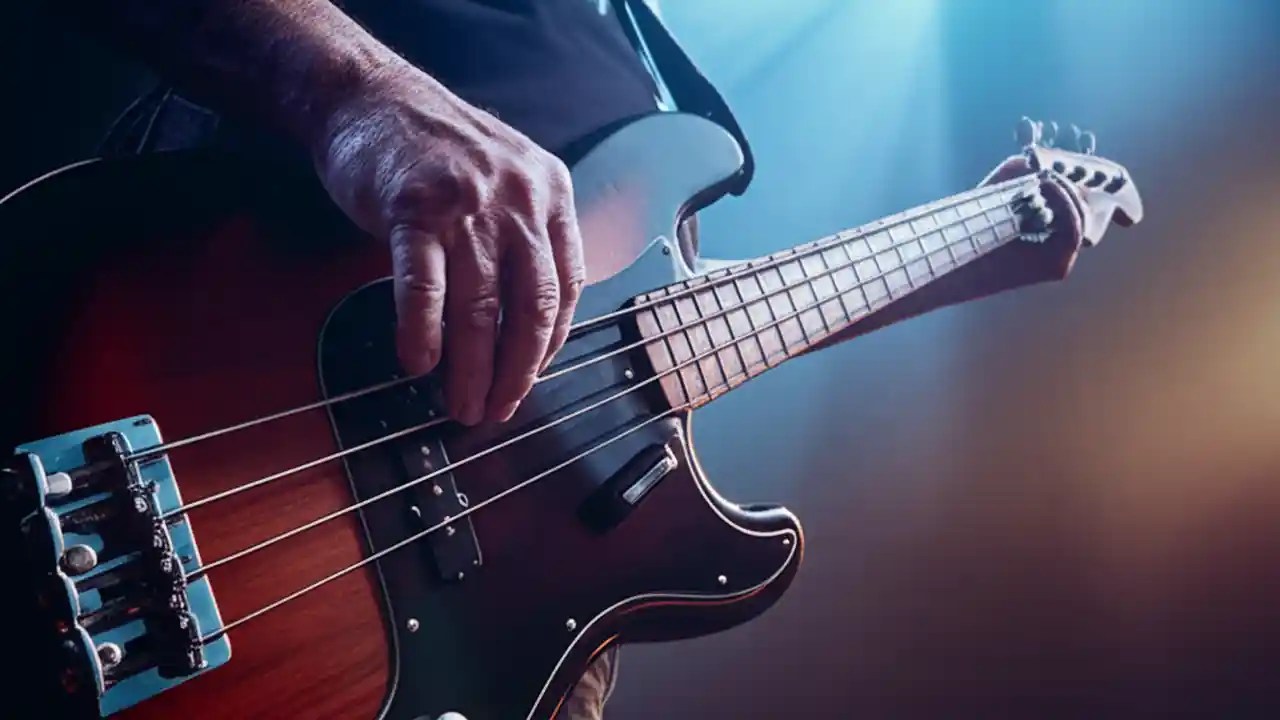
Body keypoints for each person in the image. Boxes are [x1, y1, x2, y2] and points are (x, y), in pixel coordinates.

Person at [46, 1, 1089, 717]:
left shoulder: (640, 64)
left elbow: (638, 344)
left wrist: (977, 244)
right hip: (209, 395)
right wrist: (359, 92)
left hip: (496, 616)